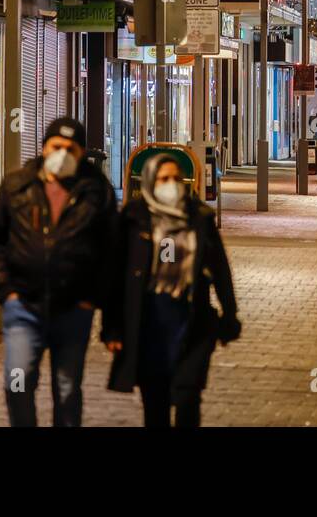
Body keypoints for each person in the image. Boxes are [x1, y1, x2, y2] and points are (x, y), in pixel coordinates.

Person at [0, 117, 116, 427]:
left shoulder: (96, 191)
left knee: (67, 390)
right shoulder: (18, 185)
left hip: (73, 310)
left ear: (82, 153)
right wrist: (6, 292)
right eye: (57, 146)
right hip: (23, 307)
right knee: (17, 382)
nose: (63, 153)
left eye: (71, 148)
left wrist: (91, 299)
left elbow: (110, 251)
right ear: (44, 147)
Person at [103, 153, 240, 428]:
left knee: (188, 396)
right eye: (164, 179)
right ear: (151, 183)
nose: (171, 184)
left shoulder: (199, 217)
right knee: (156, 403)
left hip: (192, 320)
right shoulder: (134, 219)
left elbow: (220, 269)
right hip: (148, 323)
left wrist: (229, 315)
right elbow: (115, 276)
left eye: (176, 178)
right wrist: (112, 328)